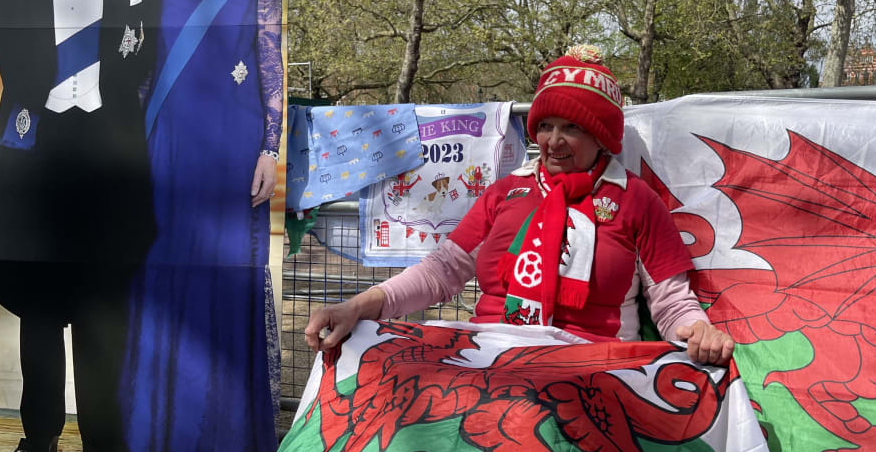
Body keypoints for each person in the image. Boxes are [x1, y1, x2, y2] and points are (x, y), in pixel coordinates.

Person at [305, 45, 734, 365]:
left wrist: (699, 332)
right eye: (544, 125)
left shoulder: (637, 200)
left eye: (572, 128)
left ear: (602, 136)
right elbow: (440, 273)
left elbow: (671, 300)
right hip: (491, 358)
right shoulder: (505, 192)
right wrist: (356, 306)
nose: (553, 141)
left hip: (593, 368)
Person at [0, 0, 159, 452]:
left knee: (103, 301)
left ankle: (104, 440)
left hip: (108, 154)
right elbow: (12, 54)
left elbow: (145, 53)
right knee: (43, 301)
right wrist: (58, 92)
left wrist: (97, 91)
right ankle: (39, 433)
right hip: (40, 155)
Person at [118, 0, 283, 452]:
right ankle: (154, 435)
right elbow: (139, 71)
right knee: (161, 281)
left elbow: (270, 61)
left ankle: (228, 440)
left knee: (224, 278)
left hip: (232, 151)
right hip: (170, 149)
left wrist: (270, 147)